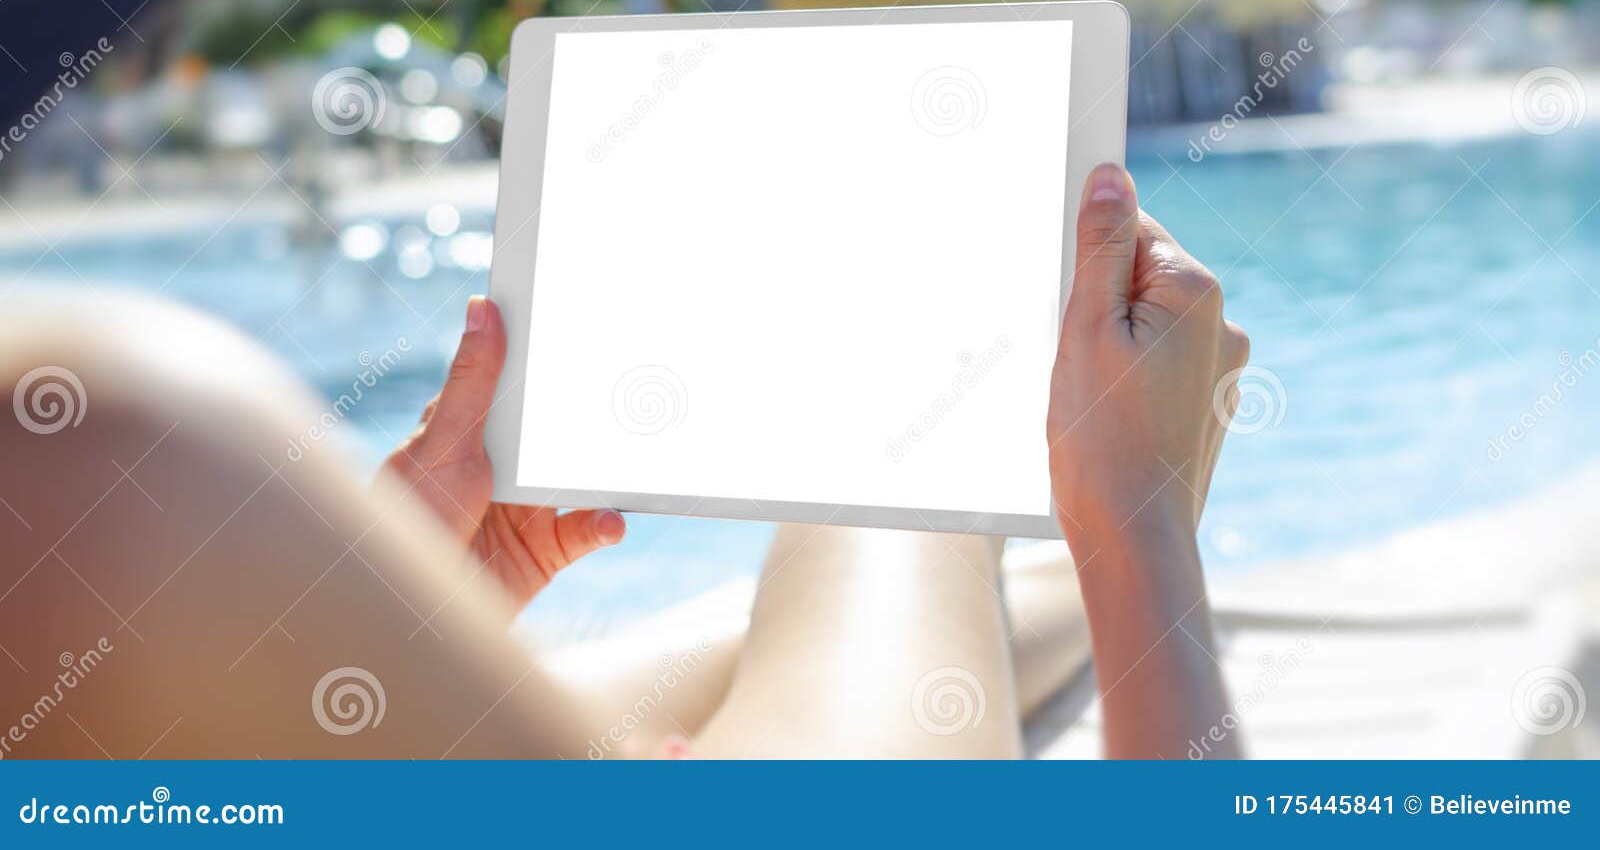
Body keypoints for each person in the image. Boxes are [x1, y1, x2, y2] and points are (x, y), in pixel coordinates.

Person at [0, 163, 1247, 759]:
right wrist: (1138, 529)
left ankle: (1021, 587)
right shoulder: (94, 435)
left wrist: (409, 621)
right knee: (888, 508)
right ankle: (1026, 561)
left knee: (756, 646)